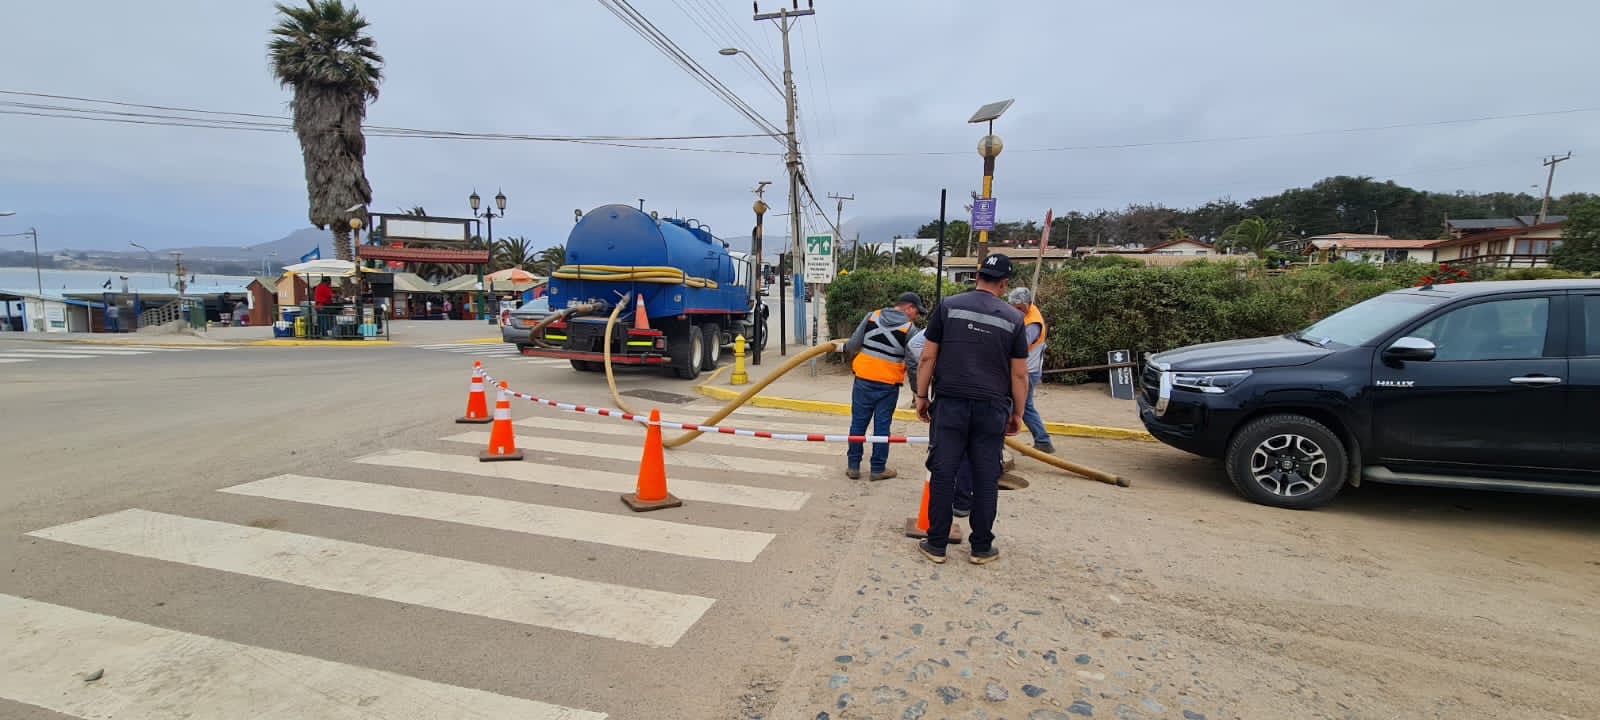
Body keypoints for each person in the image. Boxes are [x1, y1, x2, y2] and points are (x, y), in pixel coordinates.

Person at [914, 253, 1029, 565]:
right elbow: (1019, 374)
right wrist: (1017, 412)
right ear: (1004, 284)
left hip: (950, 404)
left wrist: (921, 396)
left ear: (977, 277)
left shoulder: (948, 307)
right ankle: (981, 547)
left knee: (943, 472)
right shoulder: (1015, 319)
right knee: (985, 476)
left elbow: (927, 357)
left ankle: (936, 544)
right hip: (992, 408)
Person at [843, 291, 925, 481]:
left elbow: (854, 344)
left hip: (863, 380)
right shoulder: (910, 330)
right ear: (909, 308)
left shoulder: (873, 316)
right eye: (917, 312)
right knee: (882, 427)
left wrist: (844, 347)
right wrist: (917, 391)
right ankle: (878, 469)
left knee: (858, 423)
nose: (917, 316)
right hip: (888, 386)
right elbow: (913, 364)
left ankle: (853, 467)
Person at [1008, 287, 1055, 453]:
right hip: (1025, 370)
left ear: (1028, 304)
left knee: (1014, 404)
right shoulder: (1027, 313)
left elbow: (1017, 347)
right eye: (1013, 308)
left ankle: (1043, 441)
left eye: (1020, 309)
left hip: (1028, 372)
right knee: (1024, 406)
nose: (1016, 312)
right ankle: (1043, 441)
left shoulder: (1032, 324)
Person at [904, 326, 927, 408]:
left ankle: (917, 400)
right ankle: (916, 401)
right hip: (914, 352)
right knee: (916, 375)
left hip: (916, 351)